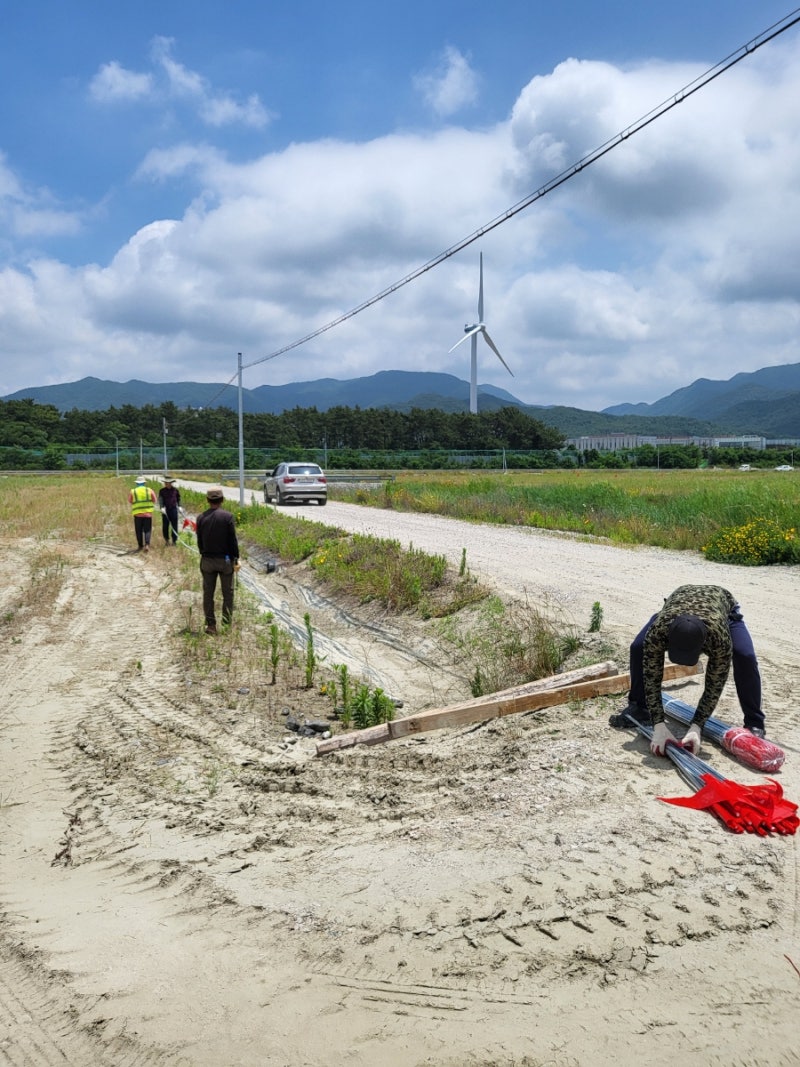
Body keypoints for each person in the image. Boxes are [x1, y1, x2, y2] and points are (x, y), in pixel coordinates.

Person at [609, 584, 766, 757]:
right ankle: (640, 707)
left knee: (745, 656)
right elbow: (651, 676)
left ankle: (754, 722)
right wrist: (658, 725)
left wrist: (697, 727)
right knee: (638, 647)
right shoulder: (659, 631)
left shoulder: (718, 638)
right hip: (676, 606)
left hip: (722, 609)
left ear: (703, 644)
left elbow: (714, 686)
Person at [195, 486, 239, 635]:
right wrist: (235, 558)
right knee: (228, 594)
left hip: (207, 560)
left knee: (208, 594)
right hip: (225, 561)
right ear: (222, 500)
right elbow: (232, 540)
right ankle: (226, 624)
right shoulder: (228, 517)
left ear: (208, 500)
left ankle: (211, 625)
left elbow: (199, 541)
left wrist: (203, 553)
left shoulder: (201, 518)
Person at [128, 475, 157, 552]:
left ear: (136, 483)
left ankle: (140, 546)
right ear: (144, 483)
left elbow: (130, 501)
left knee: (138, 531)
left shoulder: (133, 491)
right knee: (147, 530)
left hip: (137, 514)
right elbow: (154, 500)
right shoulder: (149, 490)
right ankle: (147, 544)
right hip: (148, 514)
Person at [157, 476, 181, 546]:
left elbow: (178, 499)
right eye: (166, 483)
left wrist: (180, 506)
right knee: (165, 526)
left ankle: (174, 541)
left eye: (168, 483)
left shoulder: (175, 490)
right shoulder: (162, 491)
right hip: (165, 510)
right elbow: (160, 500)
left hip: (173, 510)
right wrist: (161, 507)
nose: (167, 484)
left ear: (171, 483)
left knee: (174, 526)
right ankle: (166, 540)